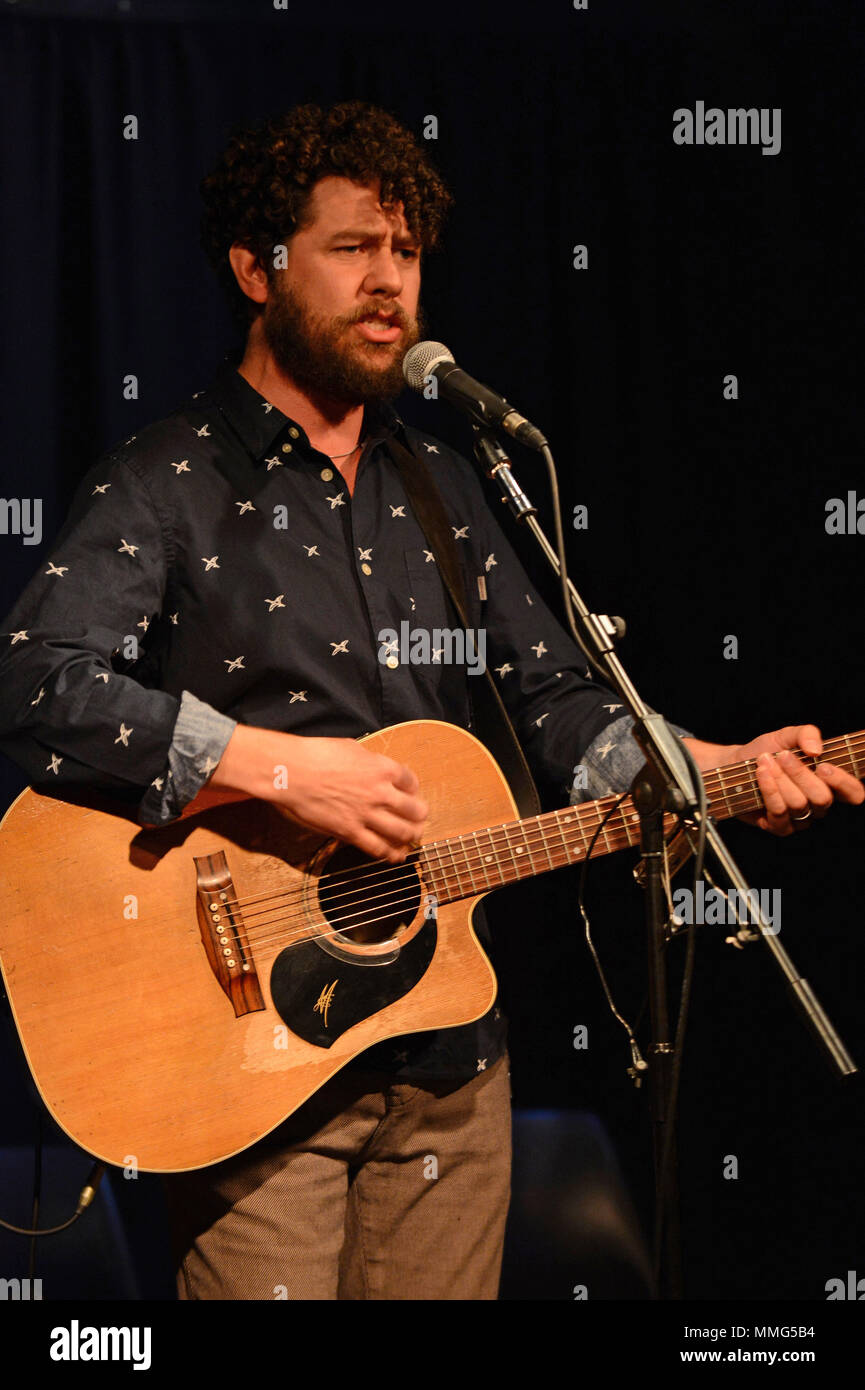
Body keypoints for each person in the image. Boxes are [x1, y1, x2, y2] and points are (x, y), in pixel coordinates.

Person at [0, 101, 861, 1301]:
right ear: (258, 267)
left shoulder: (449, 479)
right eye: (354, 247)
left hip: (450, 1063)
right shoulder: (169, 481)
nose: (389, 282)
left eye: (404, 253)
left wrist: (713, 766)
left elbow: (564, 705)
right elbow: (41, 679)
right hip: (251, 1069)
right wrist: (287, 770)